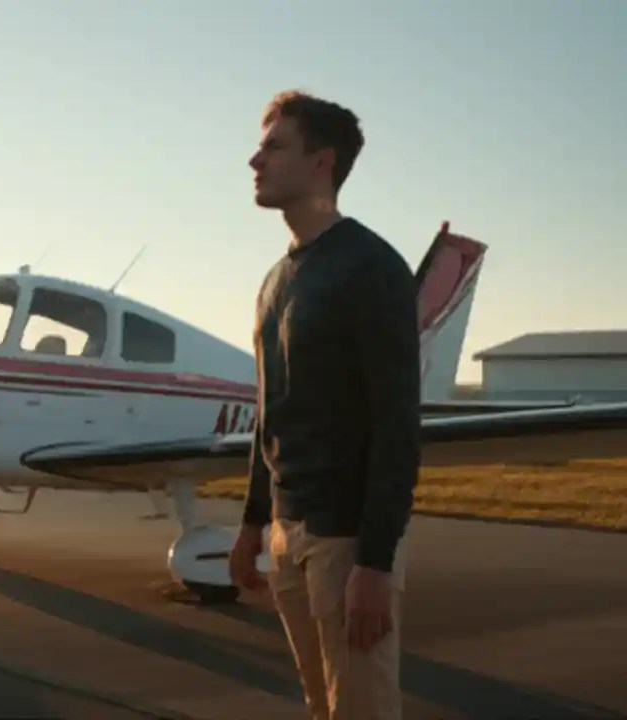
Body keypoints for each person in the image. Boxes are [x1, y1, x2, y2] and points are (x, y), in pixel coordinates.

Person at [229, 90, 421, 720]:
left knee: (361, 711)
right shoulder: (274, 282)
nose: (255, 160)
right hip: (287, 535)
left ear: (322, 162)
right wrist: (253, 525)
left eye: (274, 146)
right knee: (322, 707)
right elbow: (271, 413)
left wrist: (375, 561)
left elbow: (396, 424)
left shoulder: (371, 267)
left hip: (346, 541)